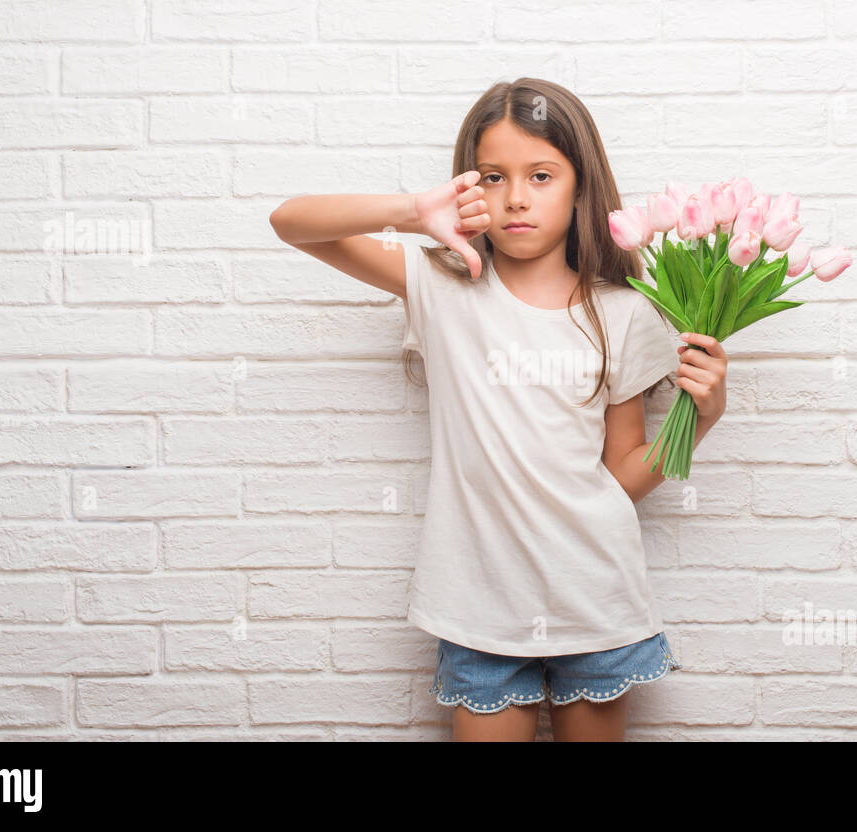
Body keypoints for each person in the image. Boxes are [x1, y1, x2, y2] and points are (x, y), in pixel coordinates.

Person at [268, 77, 728, 741]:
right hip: (479, 610)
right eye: (492, 176)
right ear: (467, 187)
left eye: (541, 175)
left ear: (581, 185)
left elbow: (622, 474)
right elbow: (292, 223)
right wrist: (410, 210)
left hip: (596, 600)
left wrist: (701, 422)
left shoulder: (623, 312)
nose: (516, 197)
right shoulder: (440, 285)